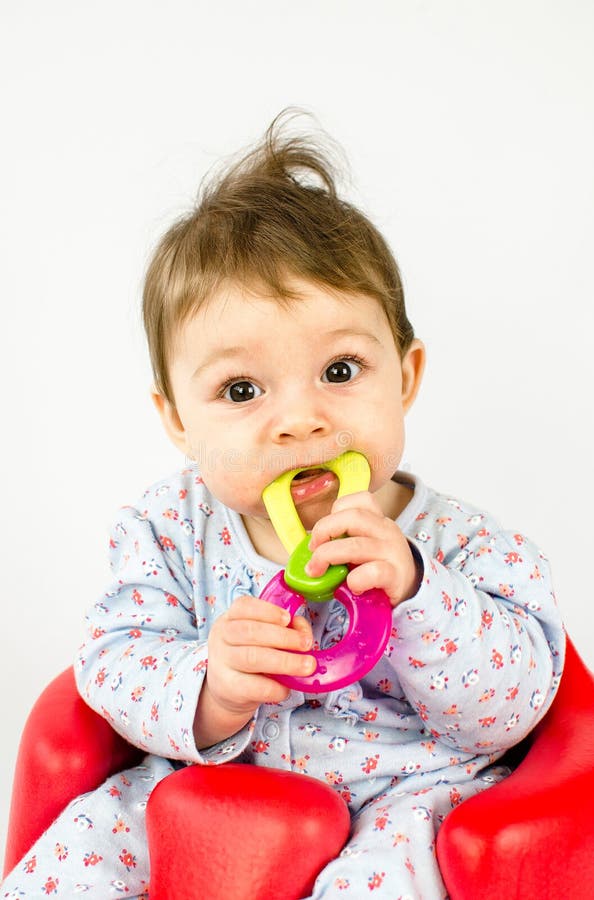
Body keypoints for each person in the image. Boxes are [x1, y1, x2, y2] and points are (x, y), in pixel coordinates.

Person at [2, 111, 565, 899]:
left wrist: (416, 593)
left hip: (403, 798)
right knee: (86, 851)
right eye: (241, 390)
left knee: (388, 881)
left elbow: (518, 708)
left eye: (340, 370)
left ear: (405, 377)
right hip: (211, 786)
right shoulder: (166, 532)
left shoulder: (465, 546)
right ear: (177, 421)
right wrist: (209, 687)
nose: (301, 419)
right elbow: (111, 662)